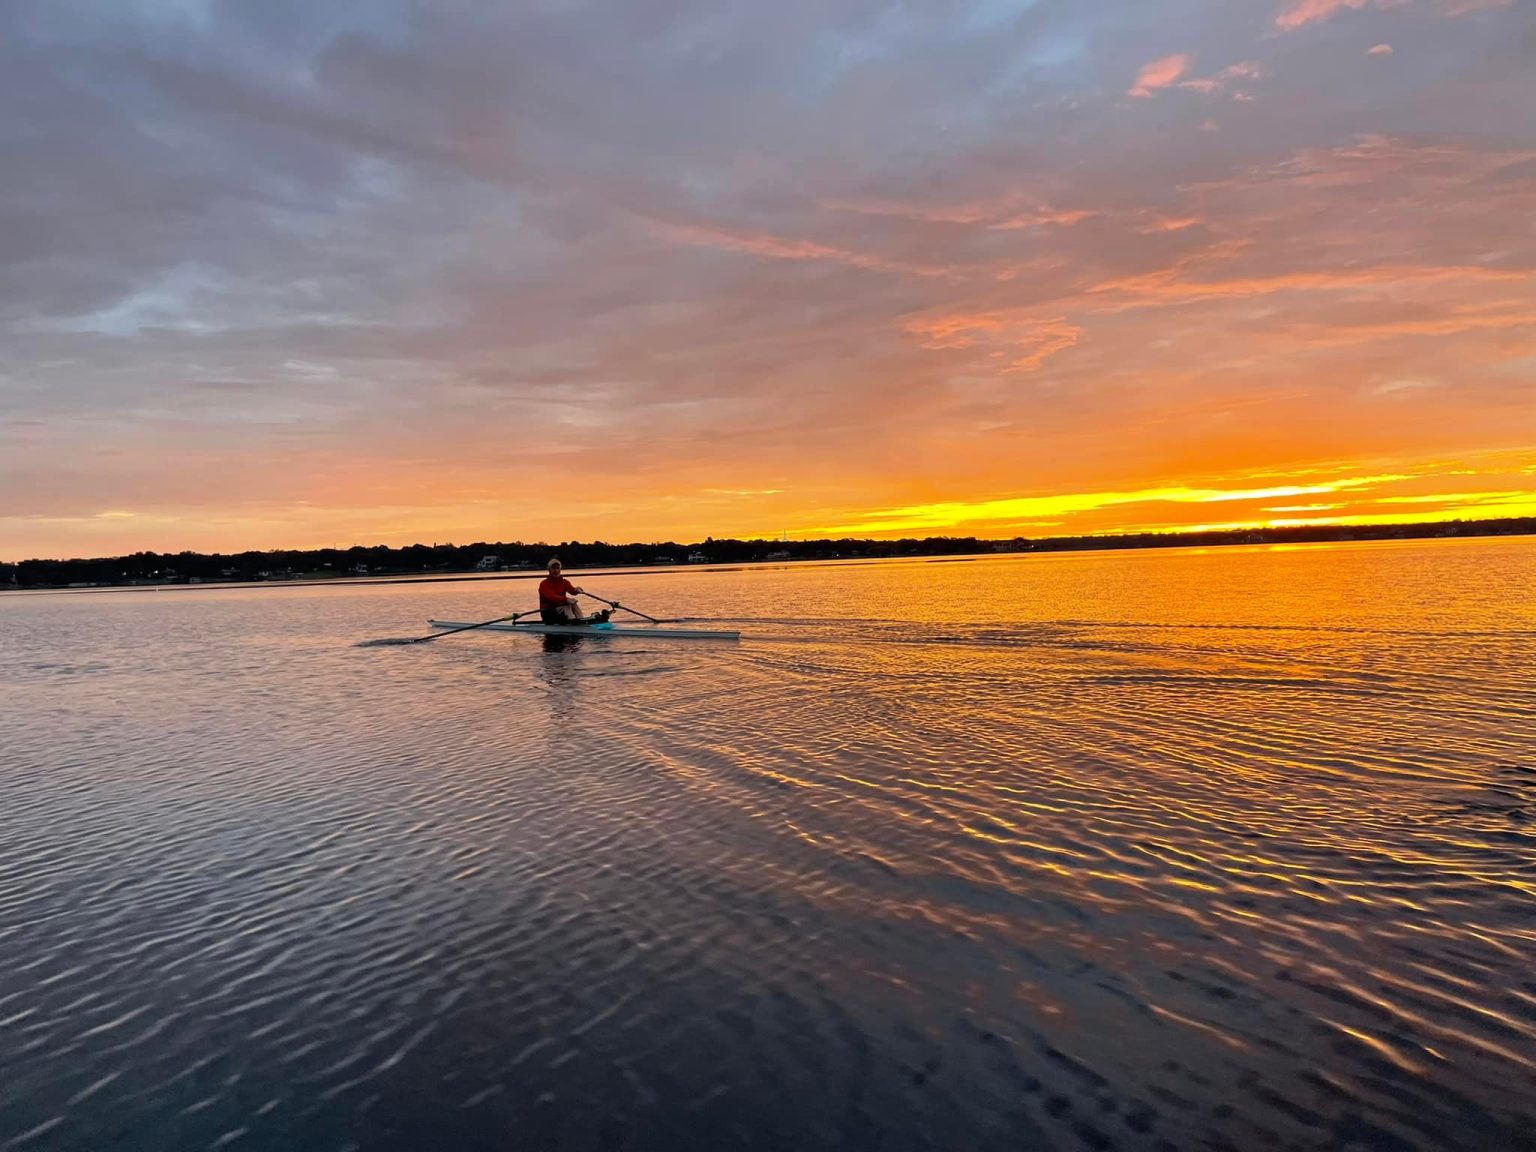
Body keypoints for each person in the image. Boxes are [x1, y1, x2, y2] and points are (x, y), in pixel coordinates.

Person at [537, 560, 610, 625]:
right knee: (567, 605)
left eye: (557, 568)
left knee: (573, 603)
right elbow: (551, 597)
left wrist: (576, 590)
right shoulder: (544, 584)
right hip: (548, 613)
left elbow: (572, 590)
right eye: (553, 568)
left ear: (560, 569)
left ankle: (581, 620)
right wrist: (566, 599)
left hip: (559, 611)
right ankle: (574, 623)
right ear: (549, 570)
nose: (556, 570)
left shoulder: (564, 582)